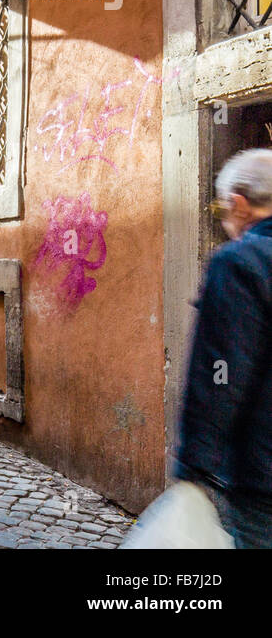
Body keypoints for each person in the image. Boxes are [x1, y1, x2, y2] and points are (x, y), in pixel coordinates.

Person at [176, 148, 272, 547]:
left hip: (262, 479)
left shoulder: (239, 261)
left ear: (239, 203)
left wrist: (194, 465)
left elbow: (222, 372)